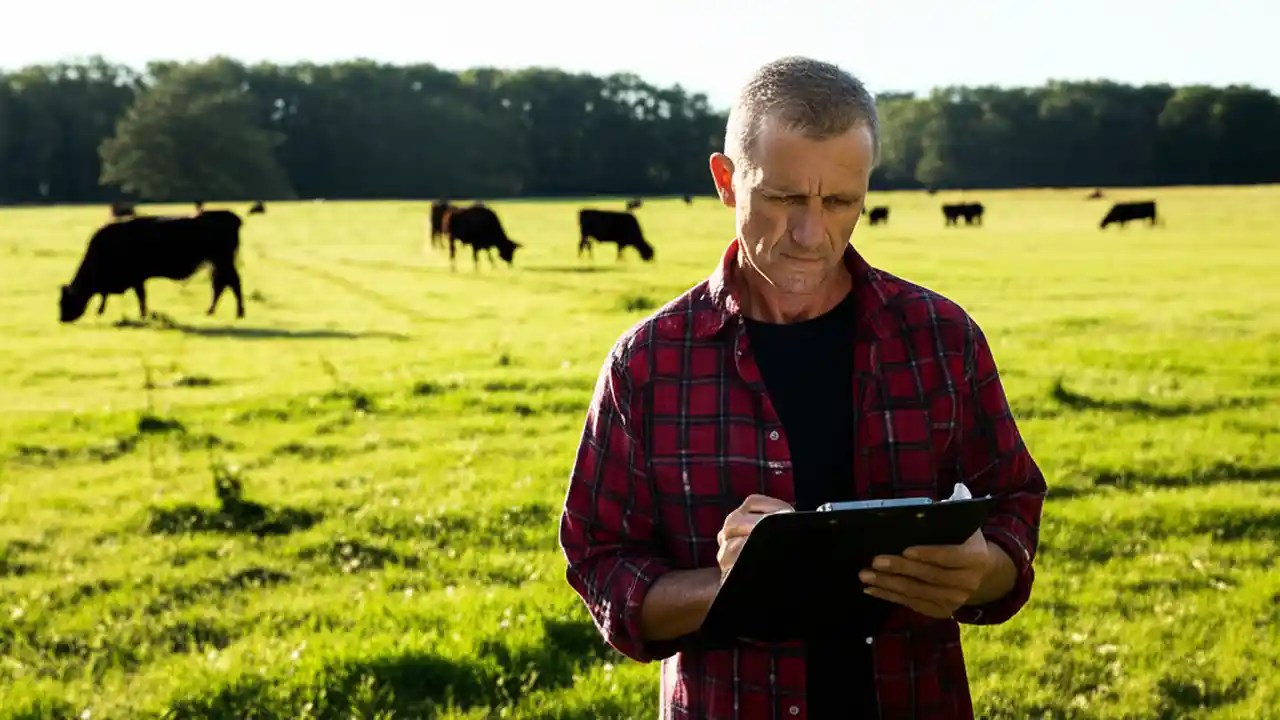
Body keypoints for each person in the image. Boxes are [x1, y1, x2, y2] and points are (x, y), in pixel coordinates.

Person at [559, 56, 1046, 720]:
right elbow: (601, 565)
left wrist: (980, 570)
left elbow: (1014, 508)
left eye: (841, 201)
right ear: (727, 182)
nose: (811, 235)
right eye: (784, 199)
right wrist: (729, 586)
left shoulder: (942, 337)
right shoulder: (646, 365)